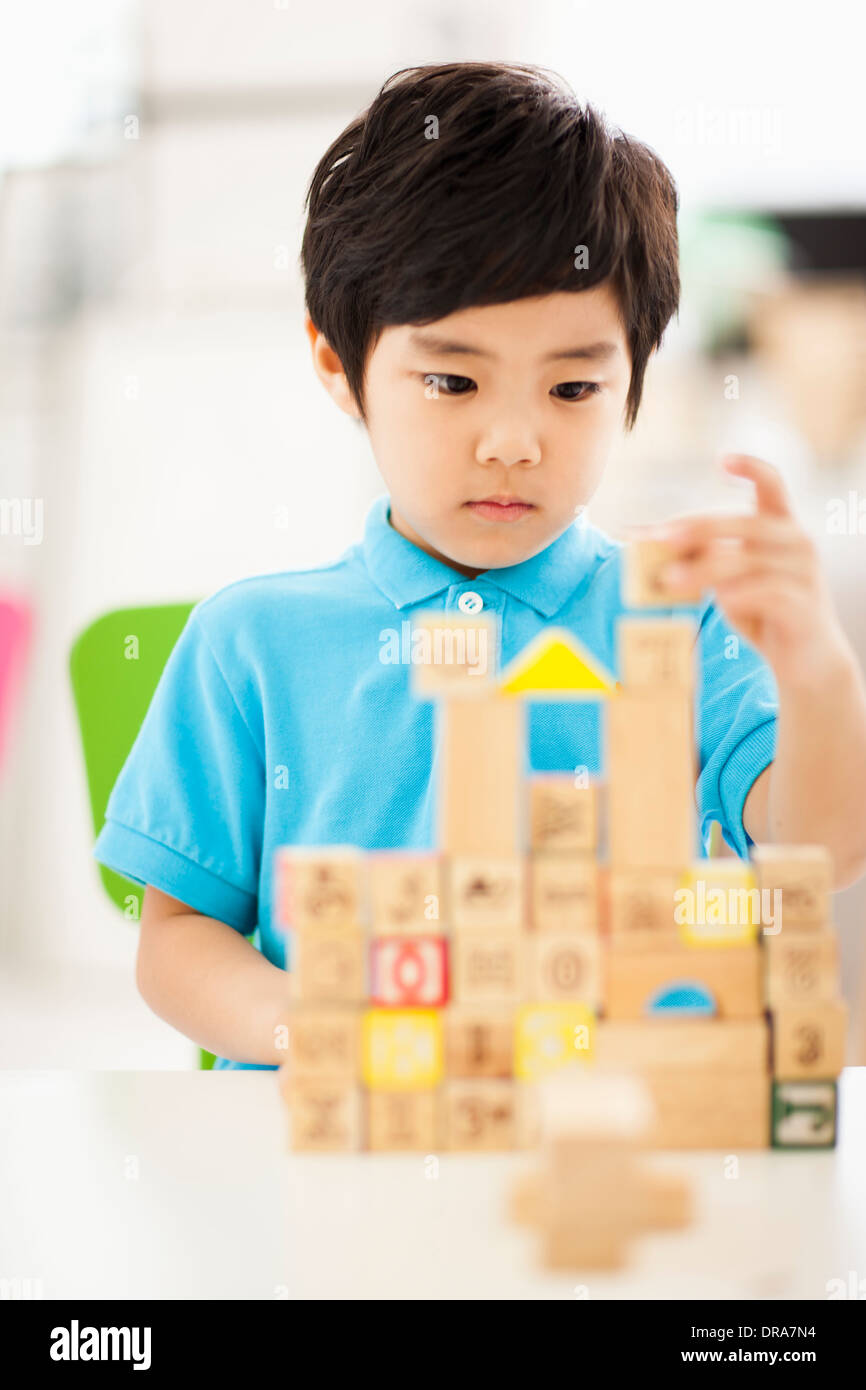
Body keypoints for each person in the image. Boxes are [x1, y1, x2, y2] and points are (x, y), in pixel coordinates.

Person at [93, 62, 866, 1070]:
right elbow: (179, 942)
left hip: (599, 1147)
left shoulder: (673, 620)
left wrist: (813, 668)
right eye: (452, 380)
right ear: (339, 363)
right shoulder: (251, 643)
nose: (512, 440)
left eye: (572, 388)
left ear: (633, 378)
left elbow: (820, 850)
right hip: (339, 1160)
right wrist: (323, 1031)